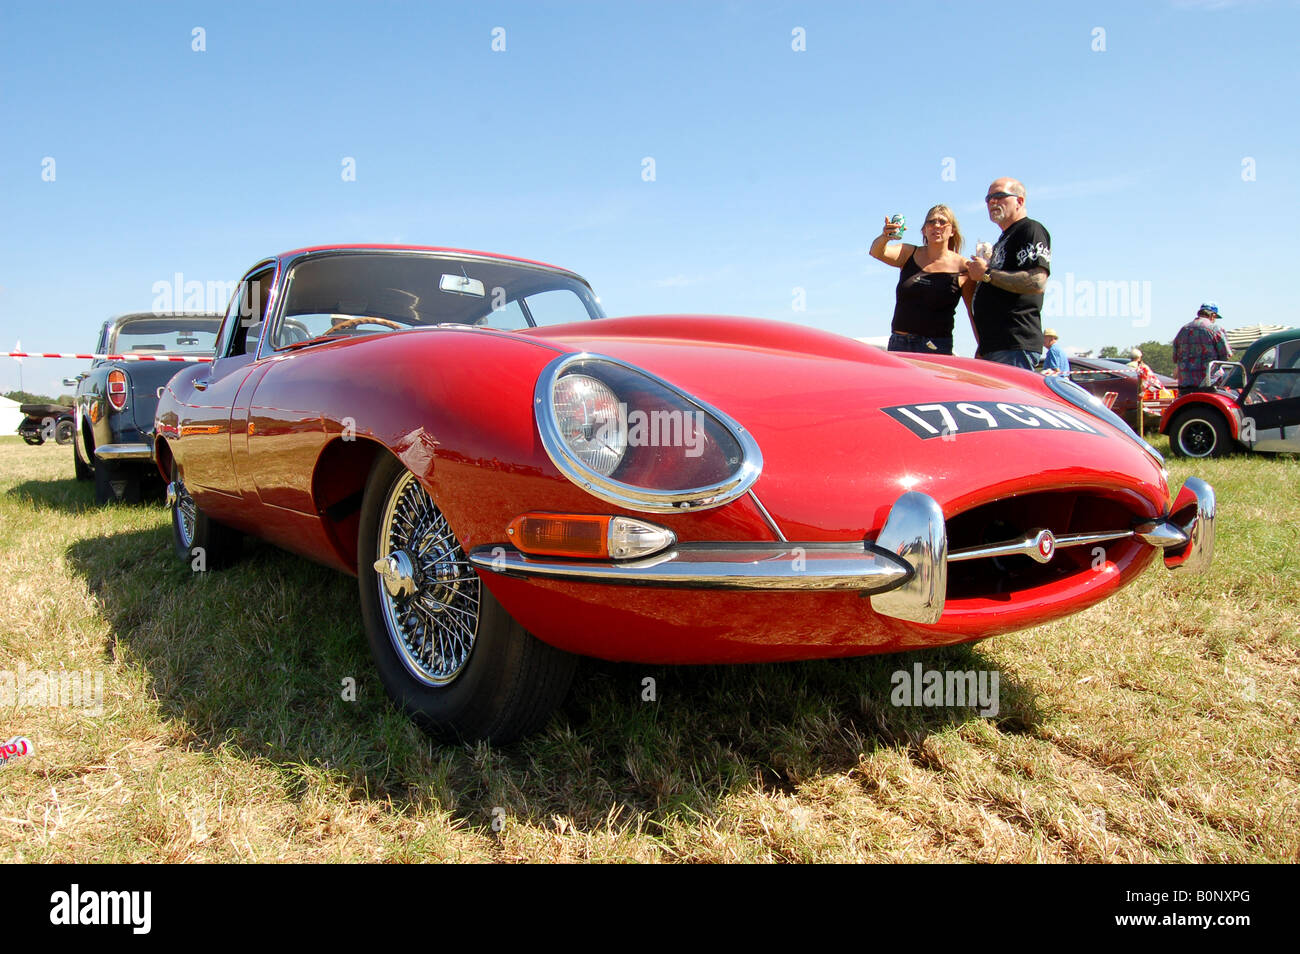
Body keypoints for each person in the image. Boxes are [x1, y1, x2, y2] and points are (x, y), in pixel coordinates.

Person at [966, 178, 1051, 370]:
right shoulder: (1004, 239)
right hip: (995, 347)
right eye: (988, 199)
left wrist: (986, 273)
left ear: (1019, 201)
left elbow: (1036, 282)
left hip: (1014, 345)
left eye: (999, 196)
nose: (992, 202)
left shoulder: (1030, 230)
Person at [869, 204, 974, 354]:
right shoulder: (908, 253)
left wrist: (982, 347)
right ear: (924, 230)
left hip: (936, 346)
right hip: (900, 343)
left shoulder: (963, 267)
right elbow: (876, 252)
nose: (936, 225)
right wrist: (885, 237)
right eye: (931, 222)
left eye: (943, 222)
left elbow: (973, 313)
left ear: (952, 231)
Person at [1172, 301, 1232, 391]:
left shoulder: (1183, 329)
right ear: (1213, 316)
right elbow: (1226, 355)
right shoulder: (1215, 329)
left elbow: (1175, 358)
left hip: (1185, 384)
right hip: (1209, 383)